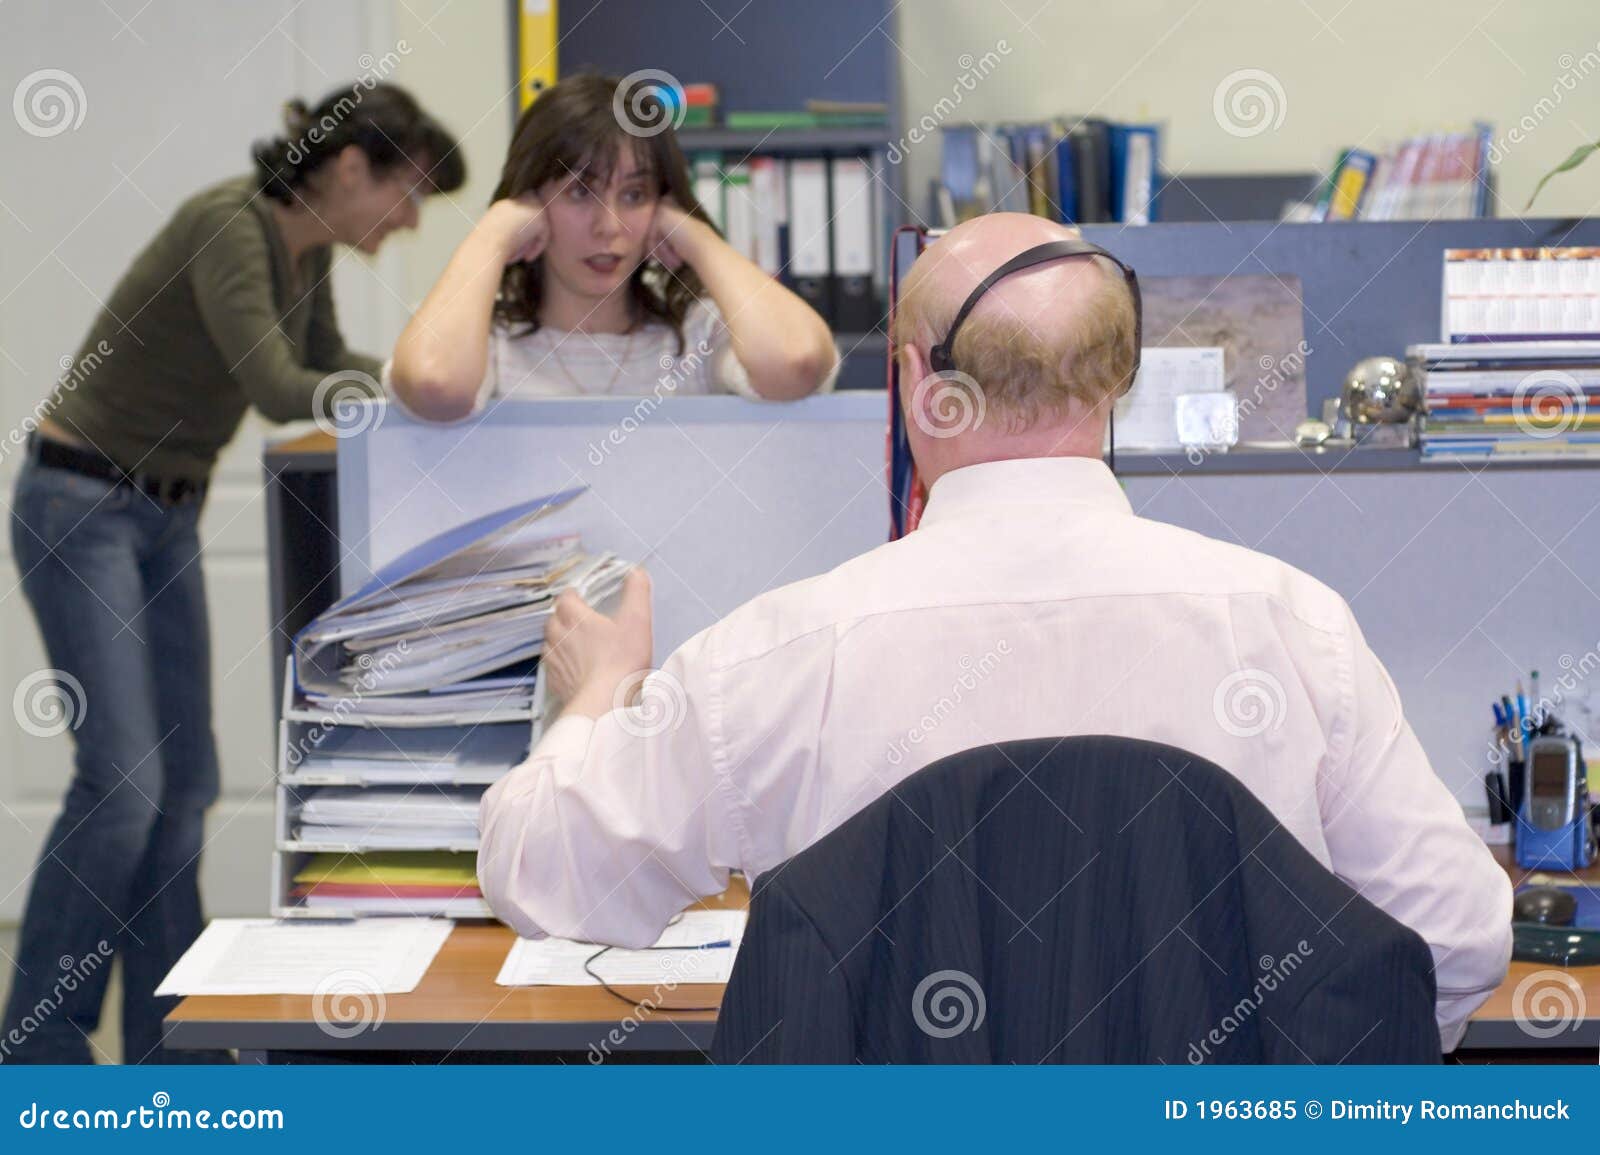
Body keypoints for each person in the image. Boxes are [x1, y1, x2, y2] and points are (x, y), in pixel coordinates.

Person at [476, 212, 1511, 1053]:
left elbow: (540, 872)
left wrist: (597, 695)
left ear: (921, 384)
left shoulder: (783, 652)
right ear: (1117, 379)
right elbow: (1460, 940)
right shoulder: (1290, 627)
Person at [2, 82, 464, 1064]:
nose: (410, 220)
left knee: (184, 787)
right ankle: (37, 1047)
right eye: (408, 193)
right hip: (79, 505)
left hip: (163, 514)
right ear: (351, 168)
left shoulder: (307, 251)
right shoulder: (229, 226)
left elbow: (328, 358)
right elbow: (278, 385)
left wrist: (440, 382)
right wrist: (422, 387)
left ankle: (172, 1046)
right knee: (124, 783)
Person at [388, 74, 837, 418]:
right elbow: (436, 386)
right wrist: (492, 236)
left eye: (635, 195)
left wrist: (700, 240)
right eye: (580, 192)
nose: (609, 226)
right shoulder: (485, 339)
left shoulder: (696, 334)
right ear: (531, 201)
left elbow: (796, 363)